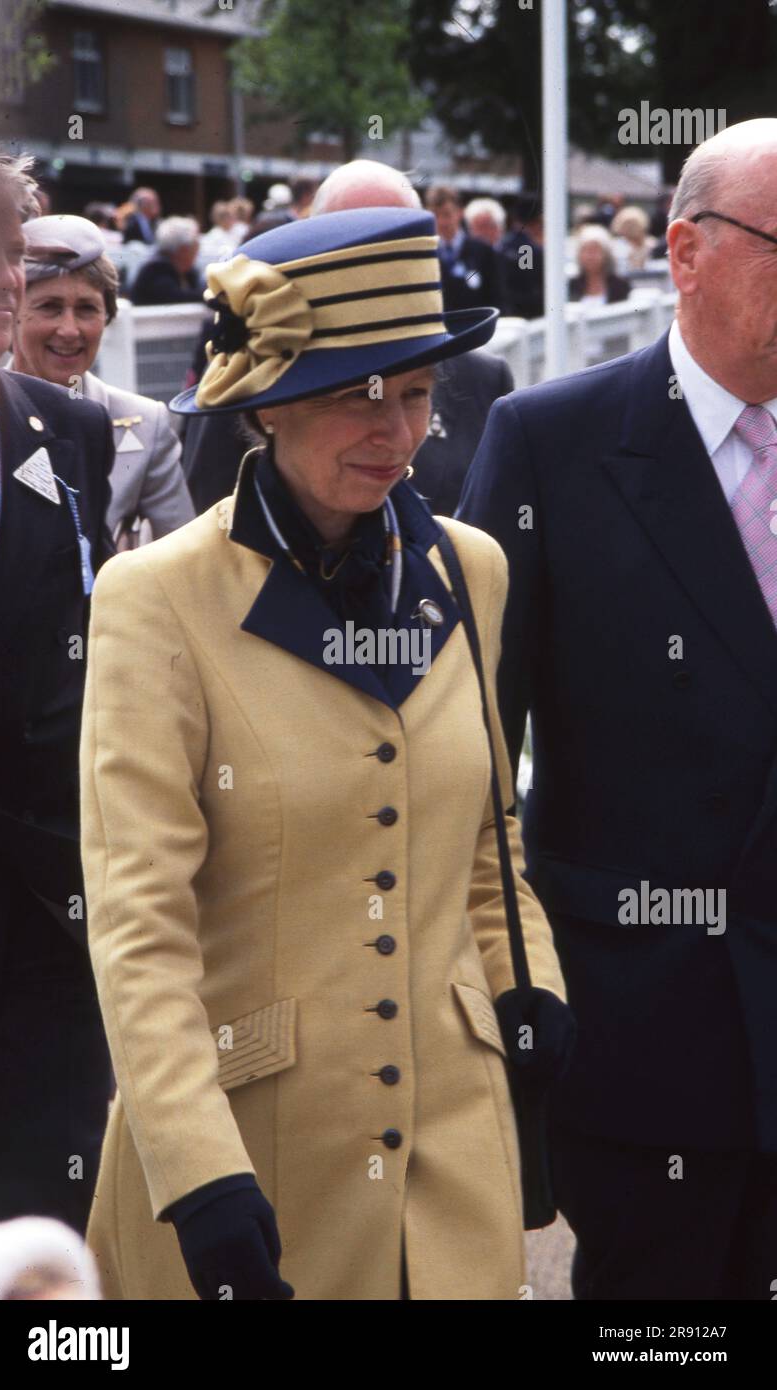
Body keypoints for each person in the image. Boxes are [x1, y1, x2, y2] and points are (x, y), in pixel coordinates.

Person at [79, 205, 567, 1301]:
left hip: (453, 1163)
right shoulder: (156, 600)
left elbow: (489, 847)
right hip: (247, 1160)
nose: (395, 431)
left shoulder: (471, 570)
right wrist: (197, 1170)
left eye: (415, 393)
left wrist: (530, 985)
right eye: (357, 395)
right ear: (269, 405)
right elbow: (136, 920)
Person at [458, 116, 777, 1300]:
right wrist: (502, 989)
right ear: (685, 253)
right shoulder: (550, 443)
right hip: (643, 1024)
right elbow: (470, 744)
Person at [0, 142, 114, 1235]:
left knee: (56, 1212)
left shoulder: (68, 426)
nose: (6, 278)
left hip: (42, 899)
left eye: (11, 251)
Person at [182, 159, 514, 517]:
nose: (398, 435)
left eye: (397, 245)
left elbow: (498, 518)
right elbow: (211, 518)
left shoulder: (483, 378)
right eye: (352, 245)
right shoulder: (261, 367)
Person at [10, 214, 194, 543]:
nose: (70, 330)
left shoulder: (142, 425)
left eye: (87, 309)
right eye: (50, 307)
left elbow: (183, 553)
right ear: (12, 314)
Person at [426, 184, 502, 314]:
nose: (442, 222)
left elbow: (497, 298)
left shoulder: (483, 251)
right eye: (436, 215)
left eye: (447, 214)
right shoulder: (426, 253)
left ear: (460, 212)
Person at [129, 216, 204, 306]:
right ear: (184, 250)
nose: (198, 249)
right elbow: (176, 298)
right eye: (196, 244)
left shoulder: (188, 273)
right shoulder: (154, 271)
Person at [568, 224, 630, 305]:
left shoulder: (620, 285)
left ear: (606, 254)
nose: (590, 256)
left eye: (595, 250)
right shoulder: (570, 285)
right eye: (585, 250)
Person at [610, 205, 656, 273]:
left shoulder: (652, 244)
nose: (630, 229)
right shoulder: (615, 246)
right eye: (627, 225)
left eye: (633, 225)